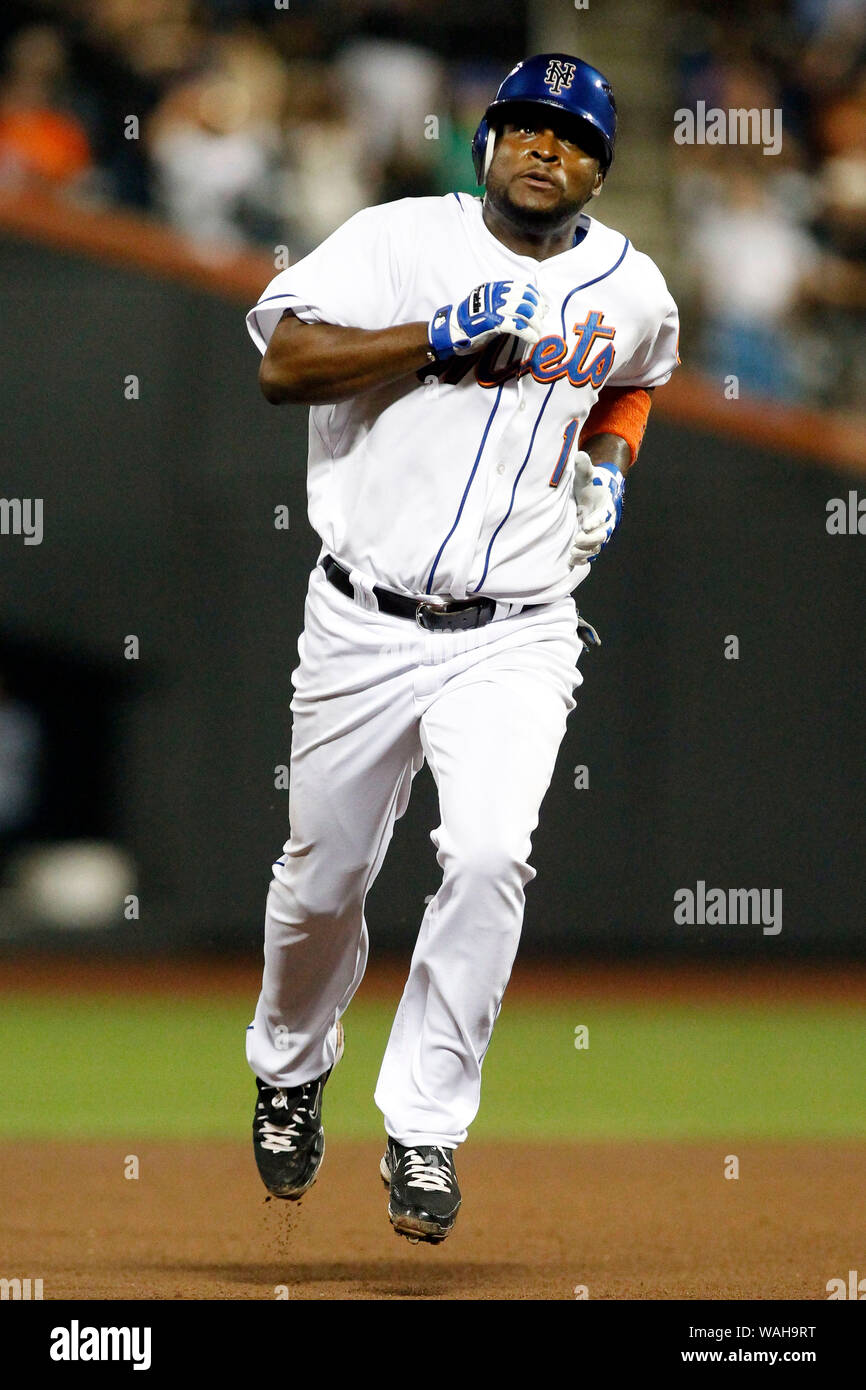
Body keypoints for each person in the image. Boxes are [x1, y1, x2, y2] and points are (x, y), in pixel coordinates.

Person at [244, 52, 679, 1245]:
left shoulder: (627, 284)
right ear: (486, 143)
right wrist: (432, 335)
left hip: (517, 627)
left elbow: (635, 379)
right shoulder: (397, 238)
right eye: (524, 126)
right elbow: (285, 365)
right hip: (360, 618)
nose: (546, 147)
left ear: (599, 166)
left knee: (489, 853)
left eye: (572, 136)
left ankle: (425, 1124)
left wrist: (609, 461)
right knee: (318, 883)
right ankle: (288, 1065)